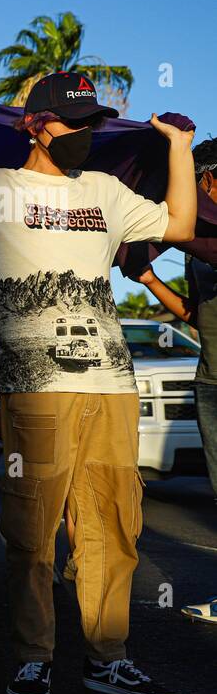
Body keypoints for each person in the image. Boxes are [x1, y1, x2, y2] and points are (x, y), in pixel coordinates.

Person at [0, 71, 195, 694]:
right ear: (35, 124)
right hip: (35, 387)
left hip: (111, 385)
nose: (86, 134)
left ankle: (108, 659)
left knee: (112, 525)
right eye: (73, 124)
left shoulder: (107, 194)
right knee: (33, 531)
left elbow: (181, 226)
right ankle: (35, 659)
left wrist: (178, 147)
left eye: (93, 124)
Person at [124, 135, 217, 623]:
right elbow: (196, 315)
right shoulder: (196, 245)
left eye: (199, 179)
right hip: (211, 381)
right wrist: (147, 278)